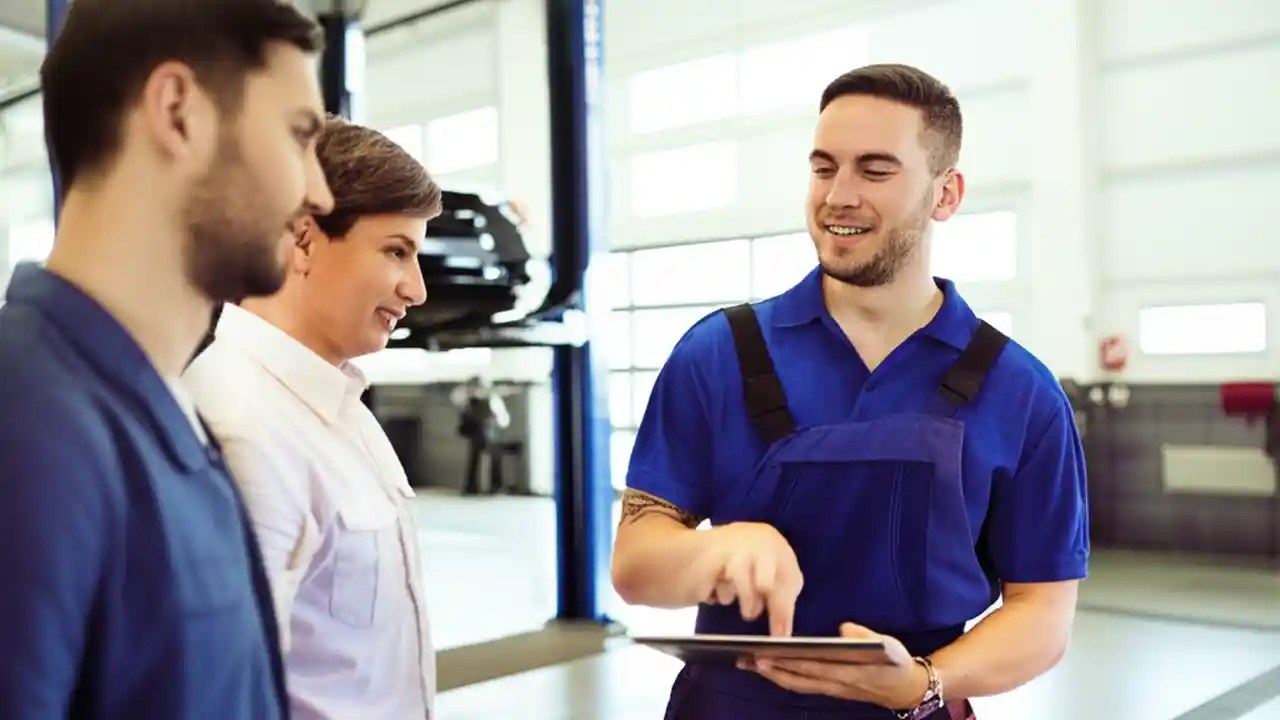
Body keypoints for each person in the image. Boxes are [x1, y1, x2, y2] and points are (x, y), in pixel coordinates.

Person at [611, 63, 1089, 720]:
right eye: (824, 167)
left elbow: (1042, 611)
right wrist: (714, 548)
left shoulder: (1021, 392)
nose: (838, 194)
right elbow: (635, 565)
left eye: (875, 169)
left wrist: (924, 681)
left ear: (945, 195)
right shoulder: (719, 353)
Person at [0, 1, 333, 718]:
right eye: (298, 136)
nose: (319, 192)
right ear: (179, 111)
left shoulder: (163, 409)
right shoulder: (27, 427)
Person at [183, 117, 442, 720]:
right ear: (302, 240)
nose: (417, 290)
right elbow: (219, 693)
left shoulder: (344, 411)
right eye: (396, 251)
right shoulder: (238, 422)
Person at [450, 374, 513, 495]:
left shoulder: (493, 399)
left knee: (492, 458)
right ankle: (473, 486)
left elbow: (503, 419)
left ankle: (493, 486)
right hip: (478, 432)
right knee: (475, 459)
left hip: (490, 432)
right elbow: (455, 397)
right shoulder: (466, 396)